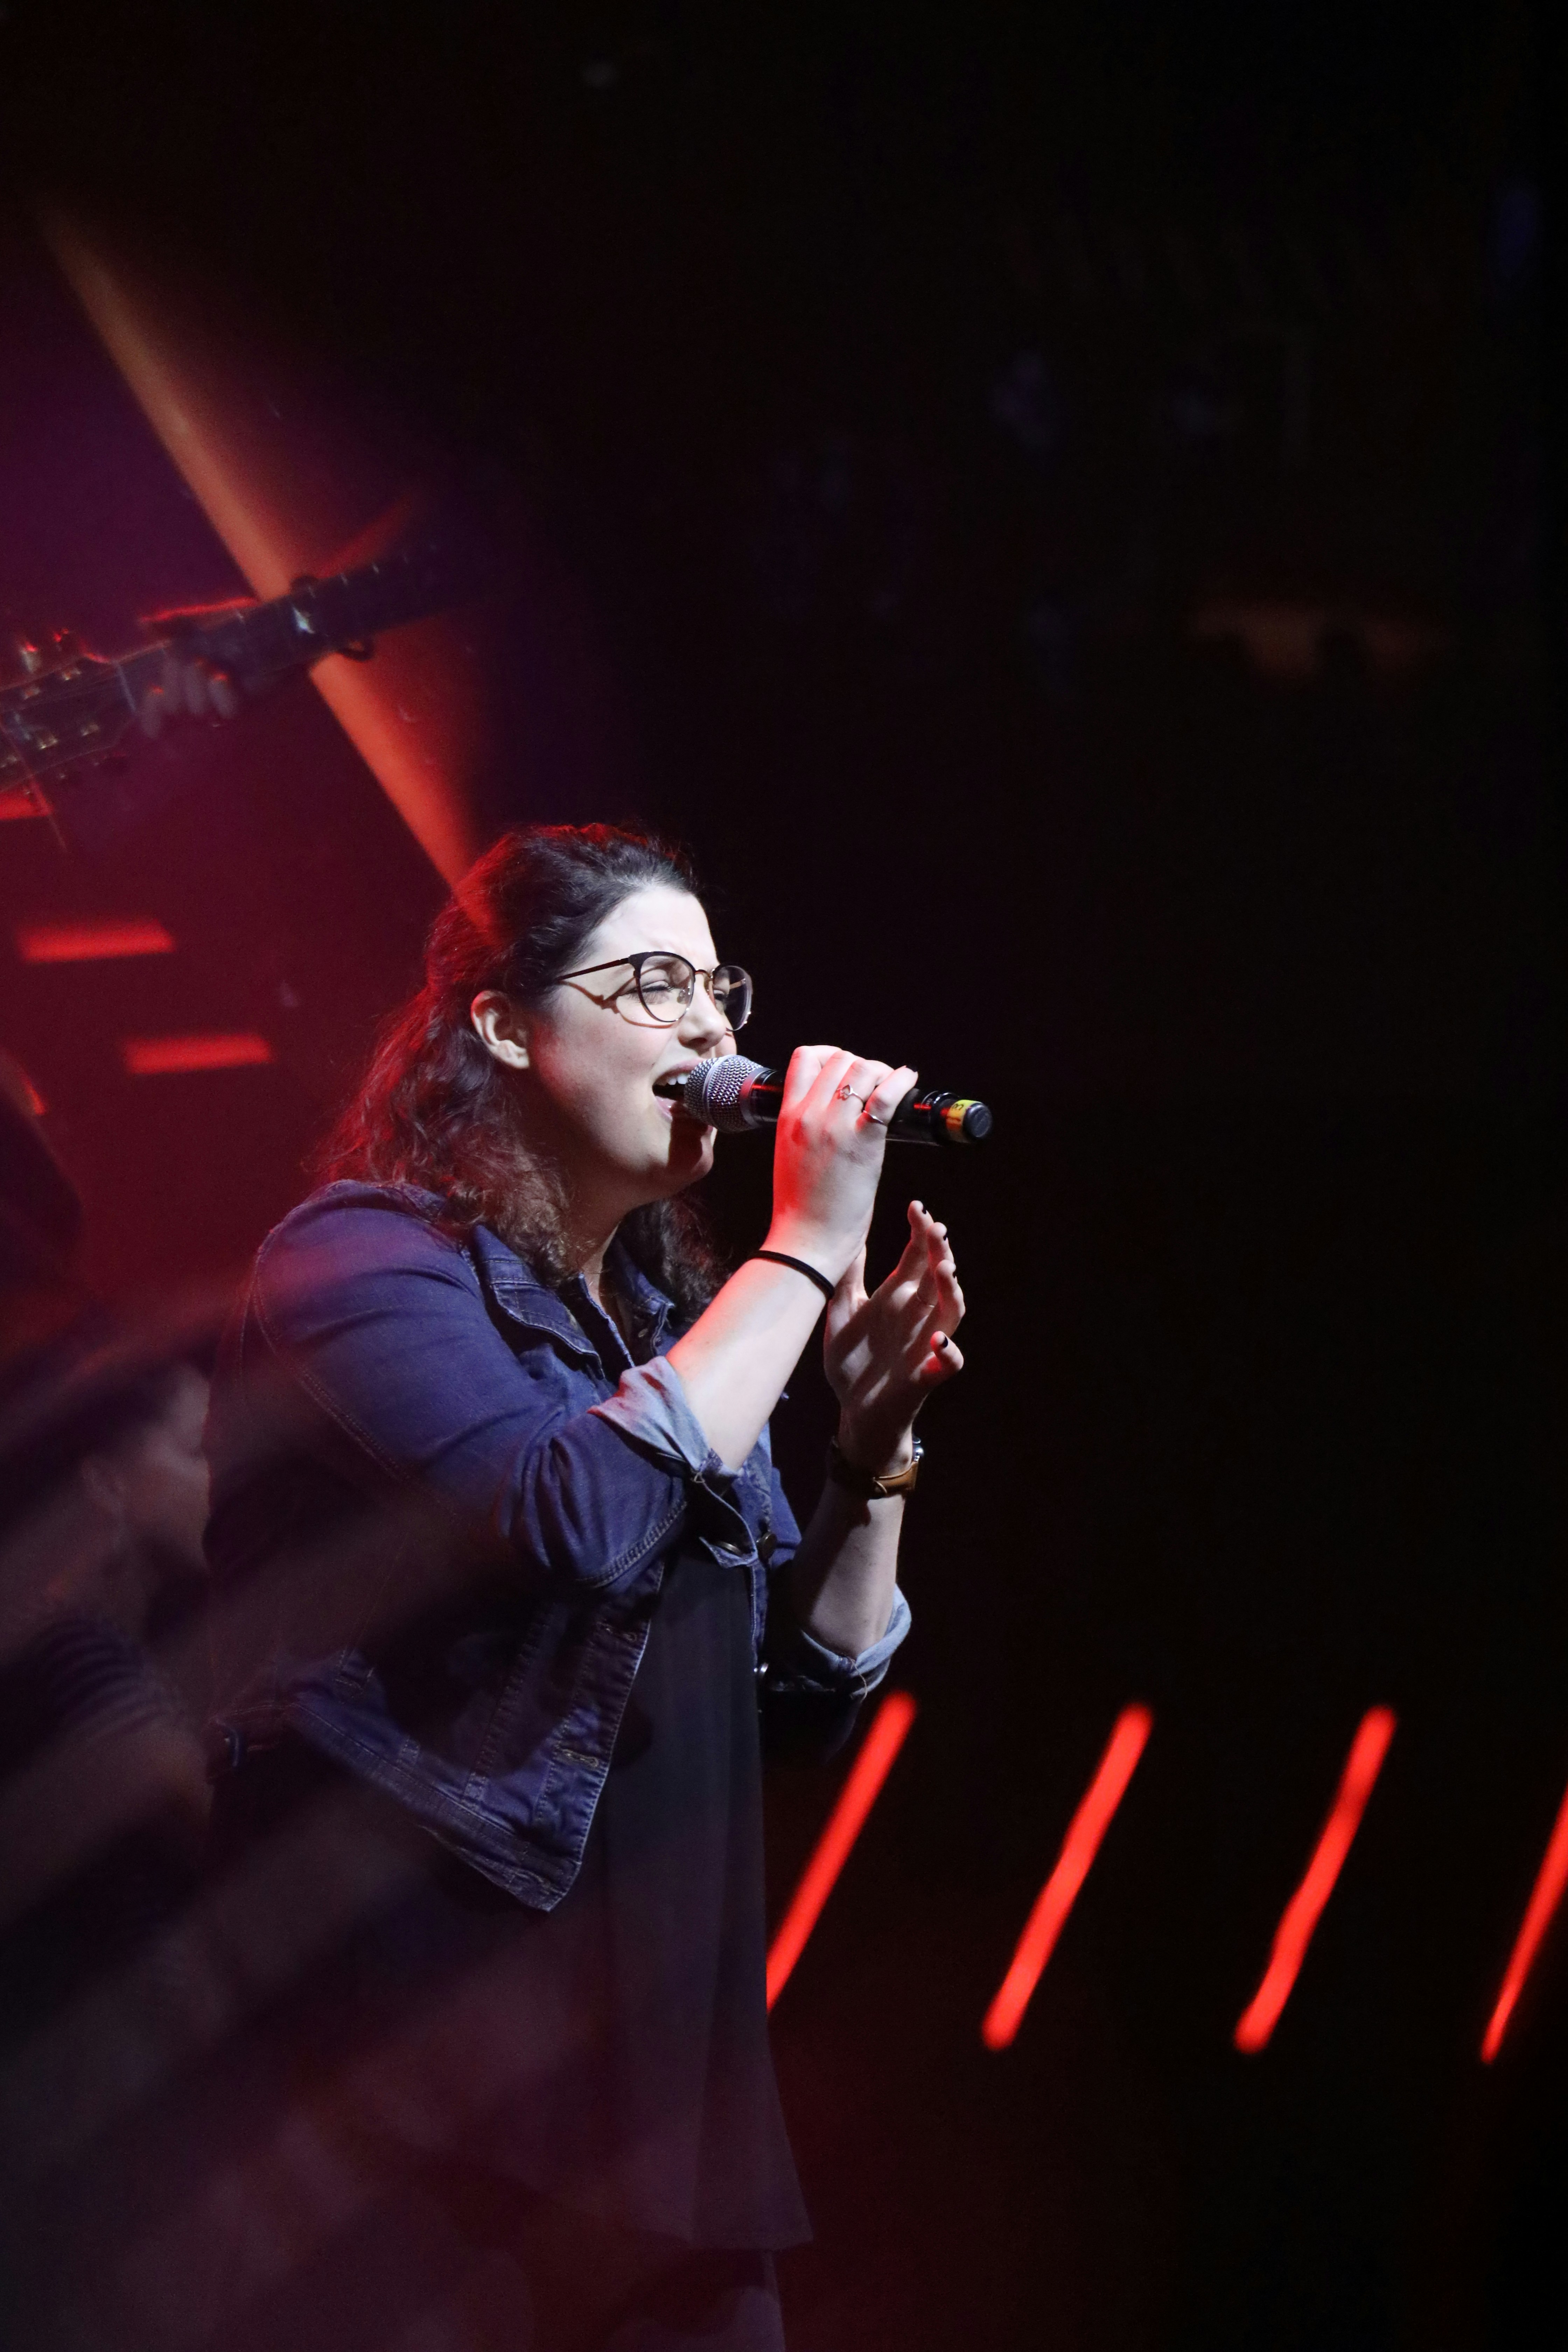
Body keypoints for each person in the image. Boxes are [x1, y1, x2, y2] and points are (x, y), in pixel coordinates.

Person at [195, 821, 966, 2352]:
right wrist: (807, 1243)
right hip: (410, 2080)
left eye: (720, 991)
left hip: (671, 2108)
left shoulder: (667, 1342)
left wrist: (873, 1459)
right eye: (655, 982)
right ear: (503, 1023)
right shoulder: (359, 1264)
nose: (711, 1028)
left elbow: (790, 1715)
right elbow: (564, 1518)